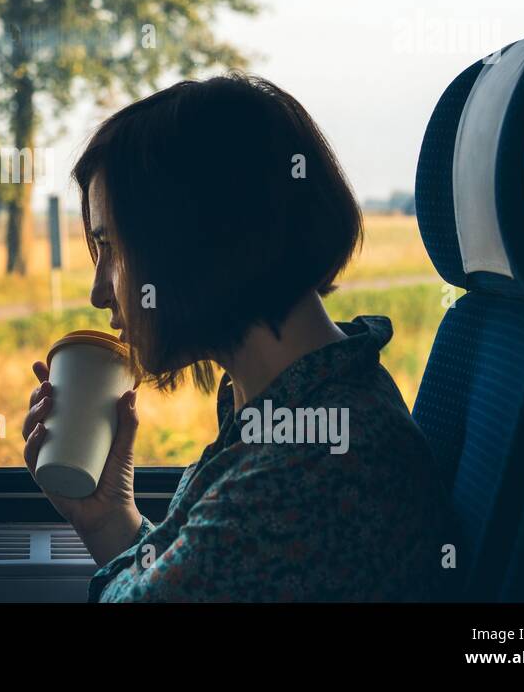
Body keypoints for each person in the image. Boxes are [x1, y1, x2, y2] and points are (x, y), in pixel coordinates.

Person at [22, 74, 454, 601]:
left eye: (111, 246)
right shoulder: (294, 409)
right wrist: (107, 516)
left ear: (193, 244)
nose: (98, 291)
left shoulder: (311, 469)